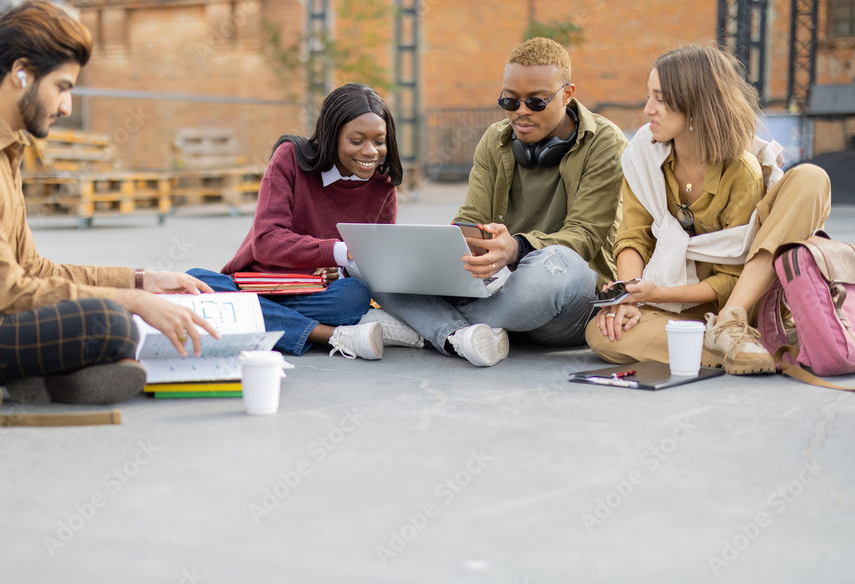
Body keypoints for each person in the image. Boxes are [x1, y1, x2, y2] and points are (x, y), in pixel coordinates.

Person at [0, 0, 218, 404]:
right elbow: (8, 290)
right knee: (109, 322)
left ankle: (46, 374)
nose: (66, 106)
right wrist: (131, 301)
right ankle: (50, 370)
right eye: (62, 87)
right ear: (21, 72)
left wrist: (143, 281)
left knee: (127, 310)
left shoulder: (3, 144)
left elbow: (32, 269)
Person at [372, 37, 626, 367]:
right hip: (497, 287)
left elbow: (585, 236)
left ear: (567, 94)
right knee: (375, 266)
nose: (520, 112)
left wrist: (515, 249)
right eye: (510, 101)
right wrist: (445, 251)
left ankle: (432, 326)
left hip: (563, 302)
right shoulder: (495, 138)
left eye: (535, 103)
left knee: (561, 265)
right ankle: (460, 335)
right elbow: (473, 218)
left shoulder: (605, 142)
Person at [585, 45, 831, 374]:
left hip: (740, 302)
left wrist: (658, 293)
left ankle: (733, 331)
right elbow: (633, 237)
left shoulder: (741, 171)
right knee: (602, 335)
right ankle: (746, 350)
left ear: (694, 104)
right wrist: (629, 295)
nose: (647, 110)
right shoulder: (644, 154)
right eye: (649, 96)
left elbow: (733, 275)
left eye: (659, 98)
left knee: (812, 177)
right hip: (680, 303)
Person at [188, 83, 421, 359]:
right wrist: (339, 252)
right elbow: (266, 241)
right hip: (258, 281)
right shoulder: (290, 158)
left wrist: (343, 270)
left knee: (353, 295)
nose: (370, 151)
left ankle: (244, 316)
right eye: (356, 141)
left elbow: (374, 259)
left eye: (378, 141)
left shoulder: (382, 183)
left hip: (316, 293)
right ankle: (331, 334)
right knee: (195, 282)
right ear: (331, 136)